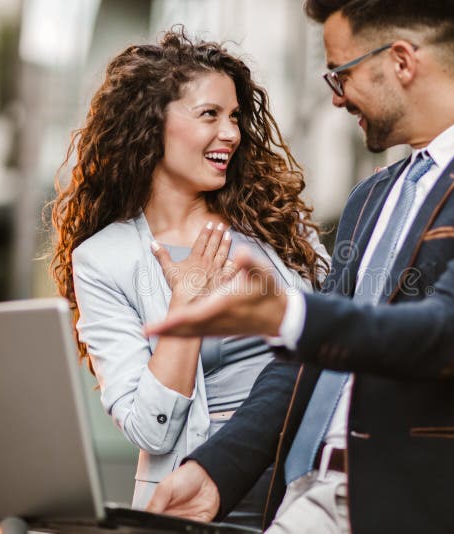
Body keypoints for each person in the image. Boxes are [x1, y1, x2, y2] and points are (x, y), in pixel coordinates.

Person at [142, 1, 454, 533]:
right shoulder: (370, 198)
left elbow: (452, 333)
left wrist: (288, 315)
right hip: (301, 499)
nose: (335, 96)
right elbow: (305, 364)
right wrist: (216, 470)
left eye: (341, 72)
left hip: (404, 511)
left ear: (401, 61)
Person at [49, 29, 328, 528]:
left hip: (306, 491)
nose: (232, 133)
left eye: (236, 117)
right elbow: (148, 430)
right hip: (193, 501)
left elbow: (336, 337)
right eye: (210, 115)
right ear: (151, 125)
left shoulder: (276, 225)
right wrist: (186, 308)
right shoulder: (103, 260)